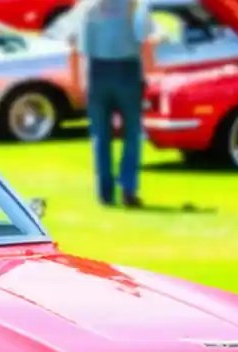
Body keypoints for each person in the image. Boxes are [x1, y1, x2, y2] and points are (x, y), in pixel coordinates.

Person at [70, 0, 152, 208]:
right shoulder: (134, 5)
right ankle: (128, 188)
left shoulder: (89, 7)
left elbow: (80, 48)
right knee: (132, 133)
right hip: (127, 69)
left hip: (98, 71)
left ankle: (105, 192)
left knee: (100, 135)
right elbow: (145, 39)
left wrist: (79, 83)